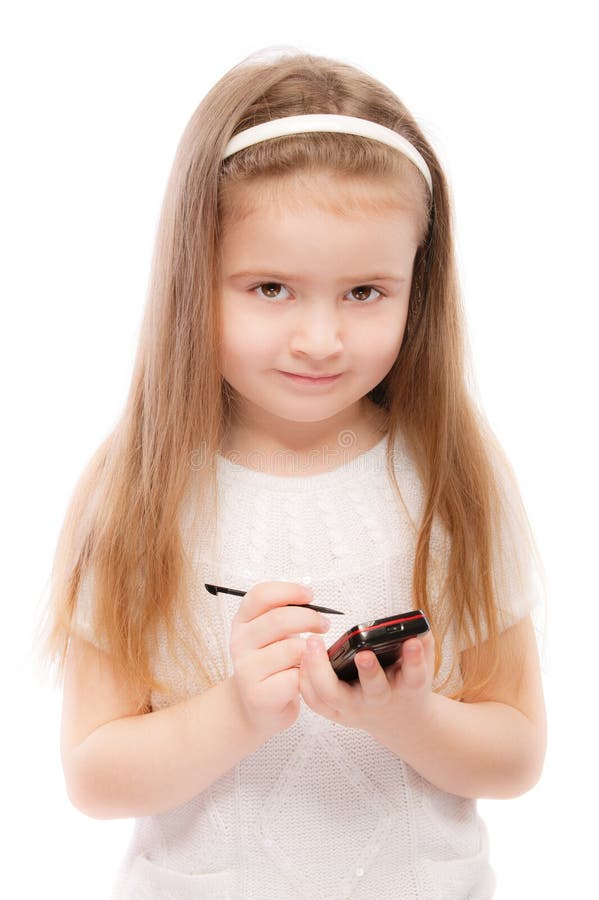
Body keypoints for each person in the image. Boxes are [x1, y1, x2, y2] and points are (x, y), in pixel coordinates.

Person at [35, 47, 548, 900]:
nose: (319, 340)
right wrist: (235, 712)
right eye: (271, 288)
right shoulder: (139, 490)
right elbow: (94, 775)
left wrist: (409, 718)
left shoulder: (451, 477)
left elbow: (518, 755)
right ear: (196, 277)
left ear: (416, 286)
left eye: (364, 292)